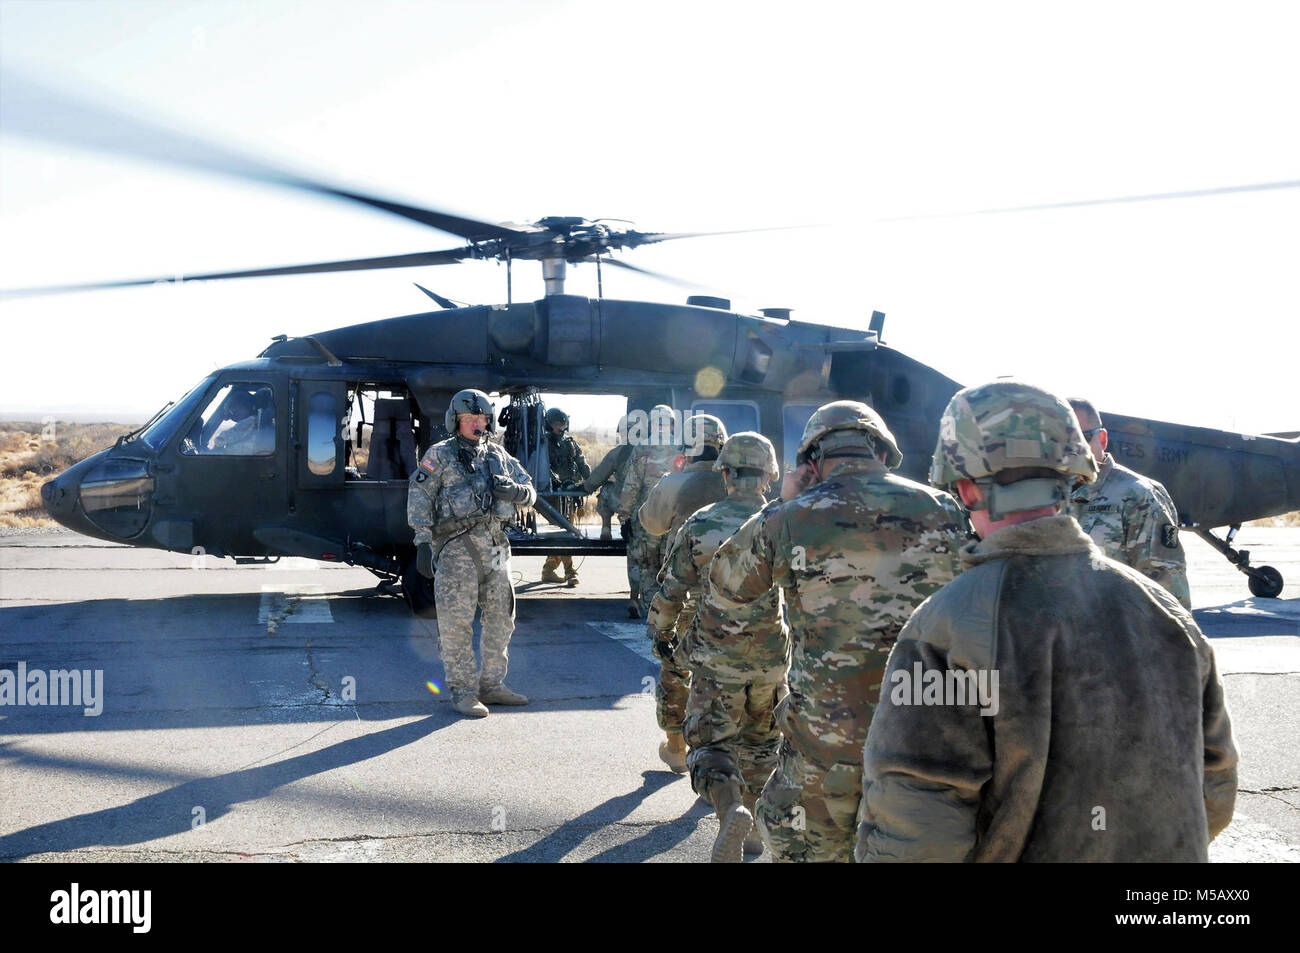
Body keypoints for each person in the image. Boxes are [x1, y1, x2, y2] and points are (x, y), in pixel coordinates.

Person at [856, 379, 1237, 862]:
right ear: (1073, 475)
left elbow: (918, 823)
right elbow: (1215, 789)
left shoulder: (945, 628)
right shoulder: (1168, 614)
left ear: (967, 487)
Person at [698, 401, 969, 862]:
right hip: (926, 737)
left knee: (804, 844)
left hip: (827, 746)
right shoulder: (945, 510)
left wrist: (789, 502)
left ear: (812, 460)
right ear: (882, 453)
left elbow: (727, 584)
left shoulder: (792, 515)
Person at [649, 432, 788, 862]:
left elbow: (672, 588)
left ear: (724, 473)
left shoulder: (704, 522)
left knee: (711, 745)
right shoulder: (786, 523)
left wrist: (662, 633)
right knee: (763, 745)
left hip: (714, 655)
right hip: (771, 660)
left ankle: (731, 810)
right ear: (769, 476)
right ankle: (754, 832)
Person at [407, 389, 537, 718]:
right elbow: (420, 493)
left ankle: (491, 685)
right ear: (456, 421)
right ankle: (463, 691)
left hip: (495, 548)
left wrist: (515, 491)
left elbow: (530, 491)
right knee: (456, 623)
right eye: (470, 418)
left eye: (482, 418)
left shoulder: (499, 455)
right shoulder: (439, 455)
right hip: (456, 549)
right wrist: (422, 540)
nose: (477, 423)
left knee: (501, 619)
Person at [638, 414, 729, 775]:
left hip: (684, 591)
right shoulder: (736, 484)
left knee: (676, 669)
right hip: (732, 596)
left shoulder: (676, 482)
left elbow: (651, 523)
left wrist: (670, 479)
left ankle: (677, 746)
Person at [1068, 397, 1191, 608]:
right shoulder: (1043, 496)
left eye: (1082, 437)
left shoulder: (1139, 495)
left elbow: (1168, 597)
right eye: (1059, 440)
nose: (1072, 448)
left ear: (1102, 439)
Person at [617, 404, 679, 619]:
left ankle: (644, 605)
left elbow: (631, 486)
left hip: (647, 517)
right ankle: (669, 612)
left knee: (644, 563)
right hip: (675, 517)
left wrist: (624, 516)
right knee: (671, 564)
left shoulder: (642, 447)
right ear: (672, 425)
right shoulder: (683, 449)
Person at [539, 407, 590, 587]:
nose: (559, 427)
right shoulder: (543, 443)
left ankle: (549, 570)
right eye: (555, 424)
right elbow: (543, 467)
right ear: (548, 424)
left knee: (565, 531)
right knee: (565, 532)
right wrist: (559, 483)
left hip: (571, 494)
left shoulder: (570, 442)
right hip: (554, 494)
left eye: (562, 424)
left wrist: (590, 482)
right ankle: (570, 572)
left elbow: (581, 463)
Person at [584, 415, 634, 541]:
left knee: (606, 489)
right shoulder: (658, 449)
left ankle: (606, 527)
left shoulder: (619, 453)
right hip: (653, 504)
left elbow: (597, 478)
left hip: (625, 503)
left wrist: (585, 487)